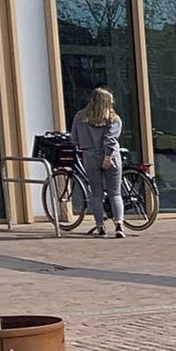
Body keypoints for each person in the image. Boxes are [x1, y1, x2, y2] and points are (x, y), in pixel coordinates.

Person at [70, 87, 125, 238]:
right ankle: (119, 225)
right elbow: (110, 139)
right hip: (111, 157)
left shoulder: (80, 116)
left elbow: (74, 138)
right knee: (115, 193)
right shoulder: (113, 119)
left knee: (96, 194)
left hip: (89, 155)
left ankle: (100, 226)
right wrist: (107, 157)